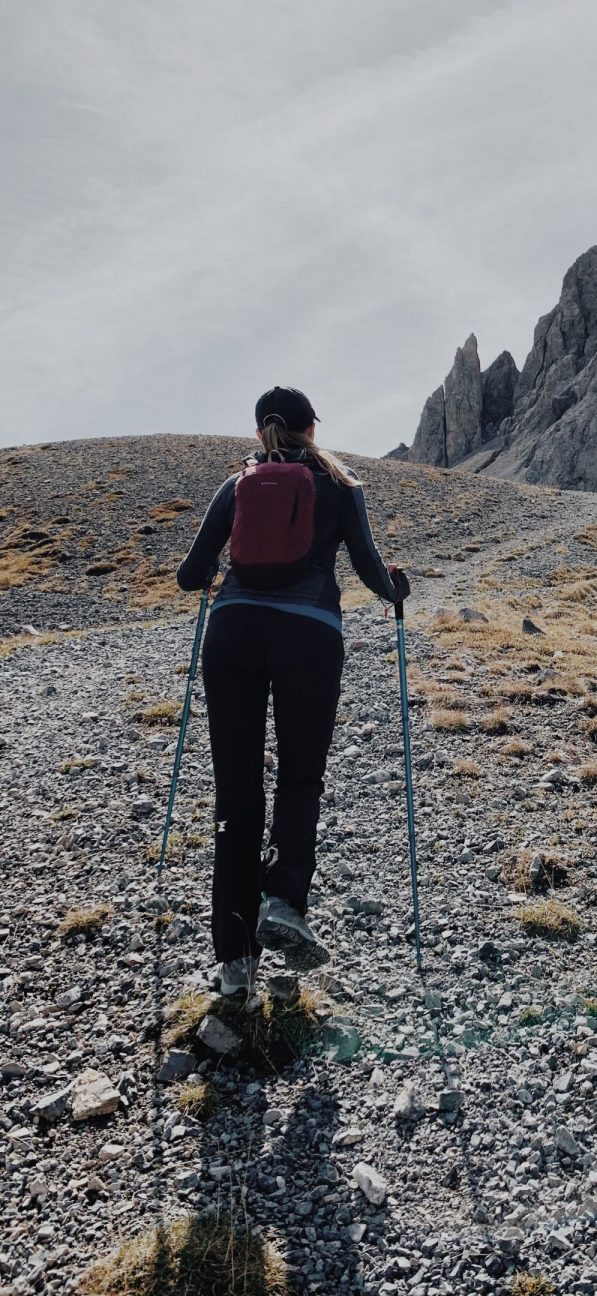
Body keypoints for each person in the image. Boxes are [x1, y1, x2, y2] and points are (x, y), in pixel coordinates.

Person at [176, 386, 410, 998]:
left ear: (261, 432)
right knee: (300, 778)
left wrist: (214, 574)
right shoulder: (340, 482)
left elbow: (189, 575)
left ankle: (235, 965)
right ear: (312, 429)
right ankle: (283, 901)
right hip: (309, 637)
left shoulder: (237, 484)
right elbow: (368, 566)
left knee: (236, 792)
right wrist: (396, 591)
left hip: (233, 634)